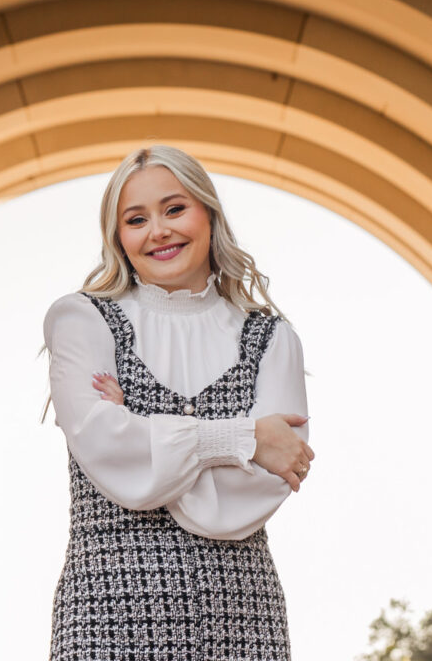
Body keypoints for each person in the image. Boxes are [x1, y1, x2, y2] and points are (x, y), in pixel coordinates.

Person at [42, 144, 314, 660]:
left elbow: (247, 498)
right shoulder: (82, 320)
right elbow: (103, 447)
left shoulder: (273, 337)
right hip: (109, 614)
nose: (158, 231)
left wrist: (144, 437)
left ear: (209, 214)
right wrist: (243, 437)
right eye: (136, 219)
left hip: (241, 616)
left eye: (174, 209)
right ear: (118, 237)